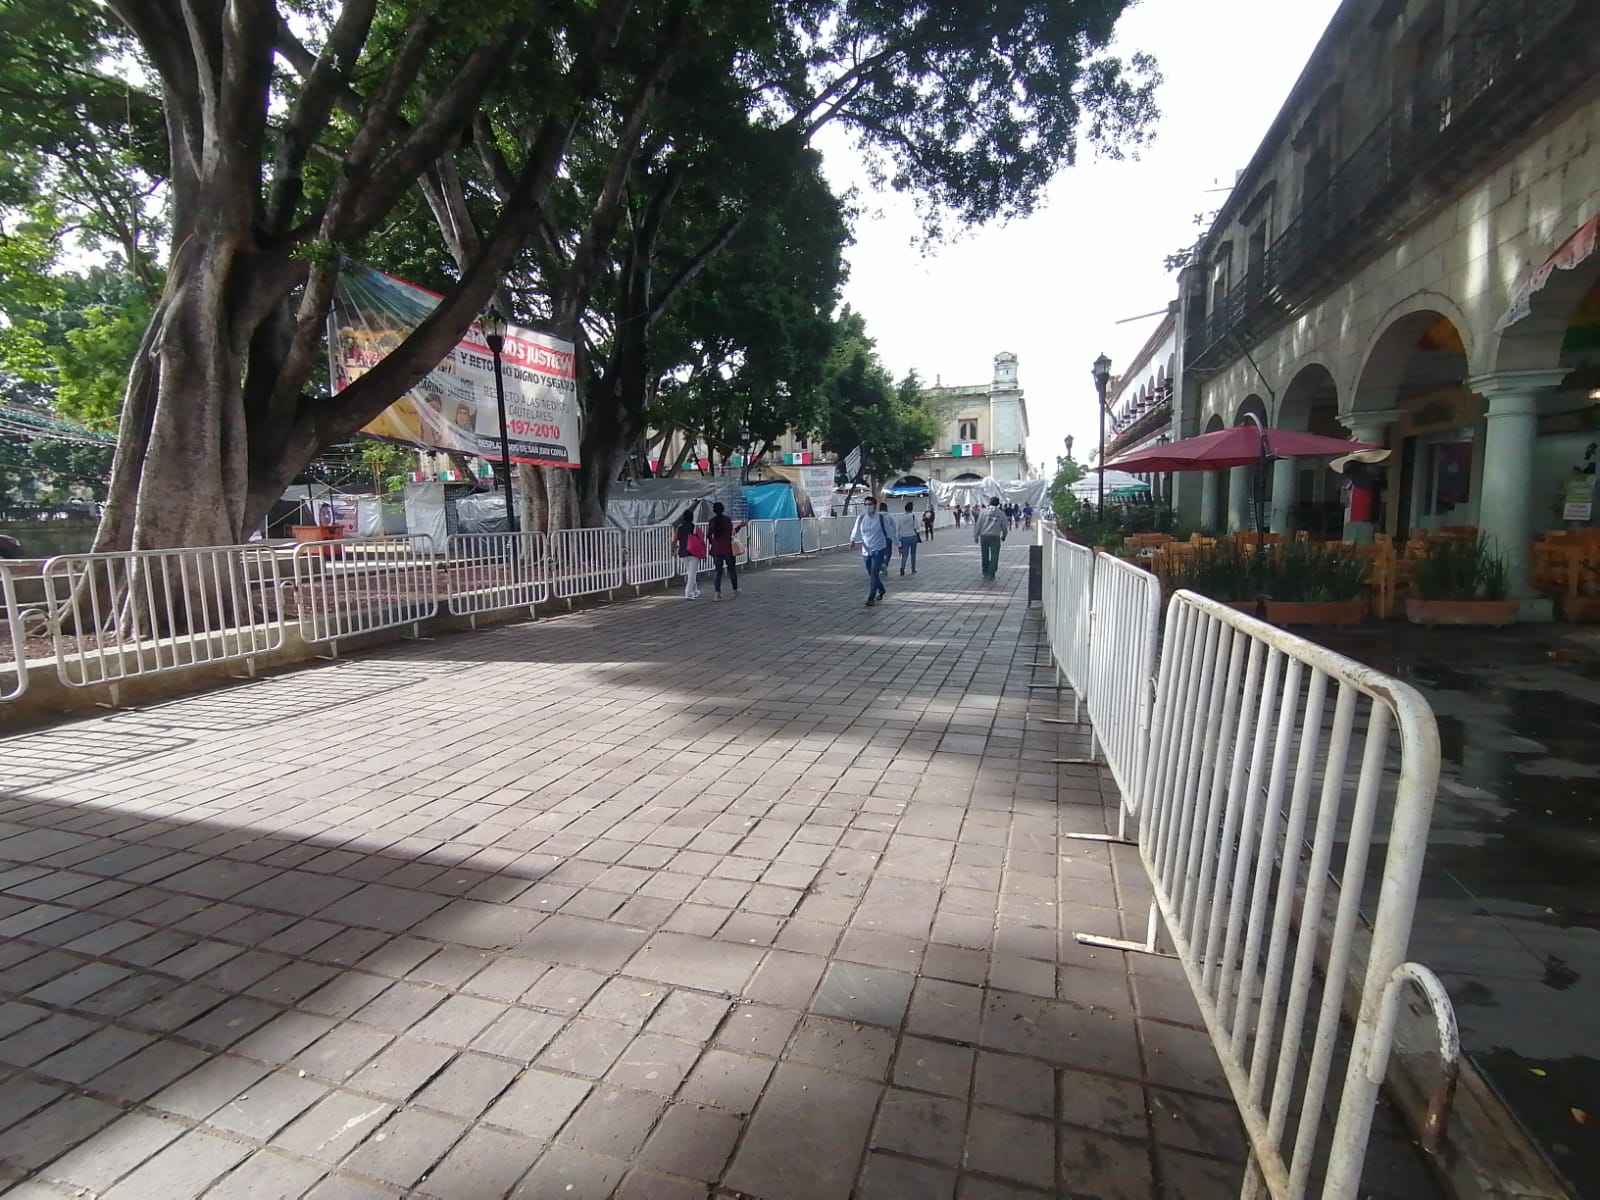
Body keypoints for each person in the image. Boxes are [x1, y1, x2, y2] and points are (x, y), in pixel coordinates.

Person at [850, 496, 893, 606]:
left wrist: (899, 545)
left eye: (870, 504)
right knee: (870, 572)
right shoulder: (861, 518)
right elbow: (855, 530)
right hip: (866, 550)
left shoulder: (880, 518)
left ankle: (871, 597)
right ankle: (881, 589)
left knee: (874, 572)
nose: (868, 506)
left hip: (878, 549)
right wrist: (852, 540)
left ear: (875, 506)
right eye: (866, 504)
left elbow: (890, 532)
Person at [706, 501, 746, 601]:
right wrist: (740, 526)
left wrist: (713, 544)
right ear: (723, 509)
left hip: (716, 549)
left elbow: (708, 535)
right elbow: (732, 533)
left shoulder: (712, 521)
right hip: (728, 548)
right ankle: (735, 590)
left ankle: (717, 593)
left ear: (714, 510)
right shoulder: (727, 520)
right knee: (732, 570)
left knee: (718, 571)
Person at [974, 496, 1008, 579]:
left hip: (984, 536)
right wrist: (1004, 535)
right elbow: (1004, 526)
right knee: (994, 555)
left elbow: (978, 524)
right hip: (995, 536)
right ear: (998, 504)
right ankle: (991, 573)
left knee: (984, 554)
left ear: (989, 503)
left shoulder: (983, 512)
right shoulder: (1001, 513)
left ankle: (985, 571)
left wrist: (976, 536)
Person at [674, 507, 704, 599]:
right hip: (693, 552)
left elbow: (674, 540)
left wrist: (673, 549)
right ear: (692, 518)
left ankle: (695, 591)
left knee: (690, 572)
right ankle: (688, 593)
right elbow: (702, 537)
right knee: (692, 574)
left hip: (683, 552)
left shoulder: (679, 528)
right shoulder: (695, 528)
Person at [894, 501, 921, 575]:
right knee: (913, 554)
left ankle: (902, 568)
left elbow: (898, 529)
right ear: (912, 509)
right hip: (913, 536)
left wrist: (899, 538)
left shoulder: (900, 517)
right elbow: (917, 527)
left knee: (904, 554)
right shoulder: (913, 516)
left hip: (904, 537)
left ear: (905, 509)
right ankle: (913, 569)